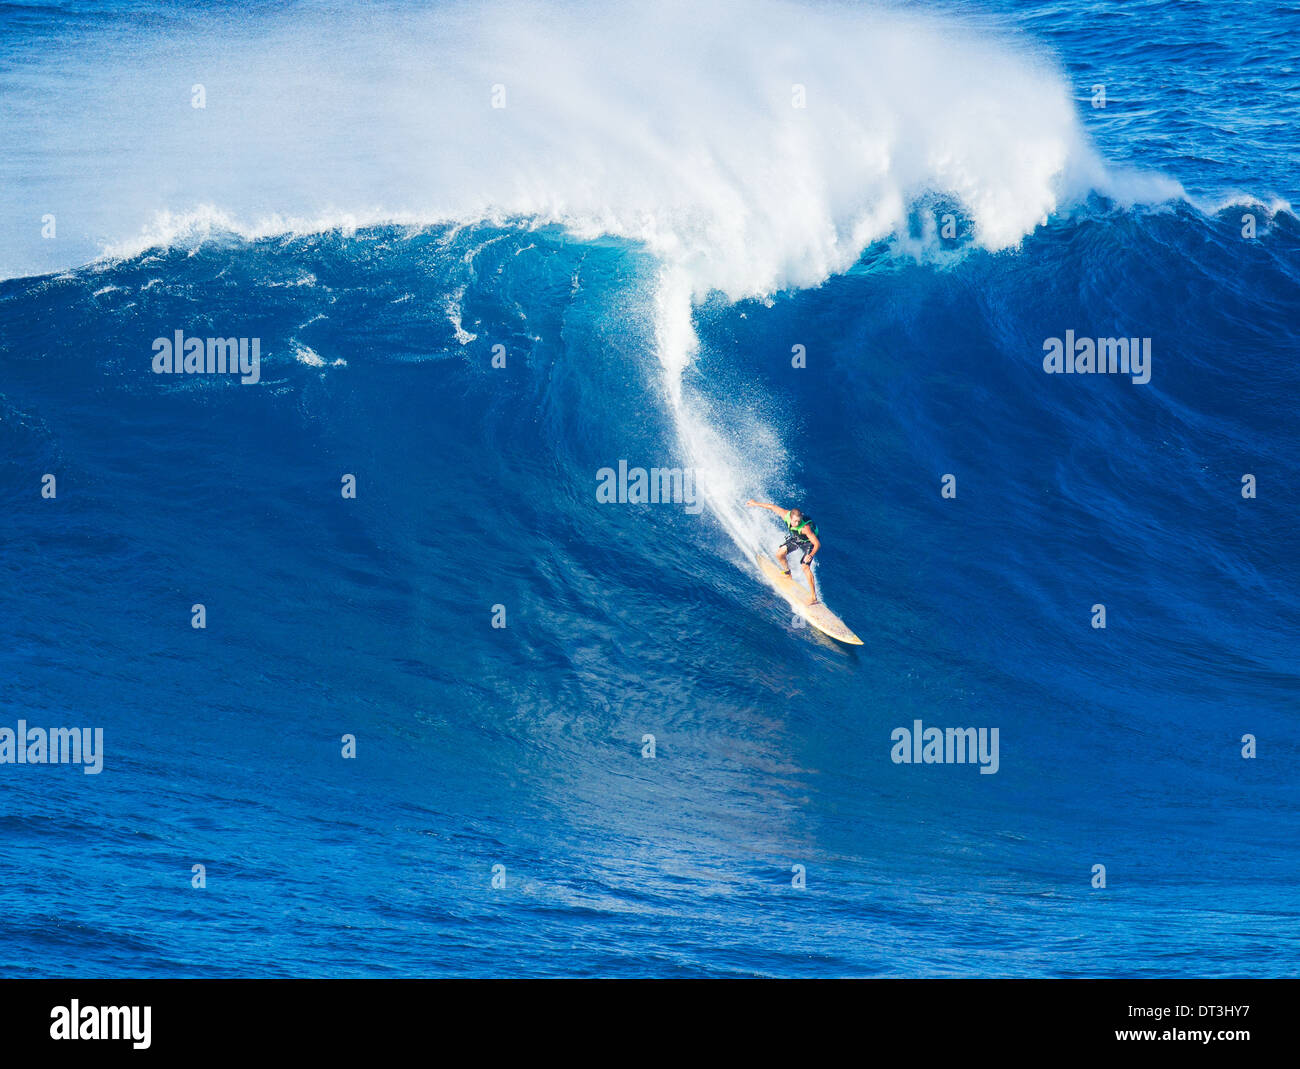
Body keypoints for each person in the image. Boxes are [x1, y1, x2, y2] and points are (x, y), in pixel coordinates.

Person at [745, 499, 822, 605]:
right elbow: (772, 507)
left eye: (799, 521)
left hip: (808, 542)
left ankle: (813, 597)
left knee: (805, 566)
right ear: (790, 517)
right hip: (797, 538)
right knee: (779, 554)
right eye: (795, 521)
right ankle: (787, 573)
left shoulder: (805, 528)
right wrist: (755, 504)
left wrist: (811, 555)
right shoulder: (785, 514)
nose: (797, 523)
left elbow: (817, 544)